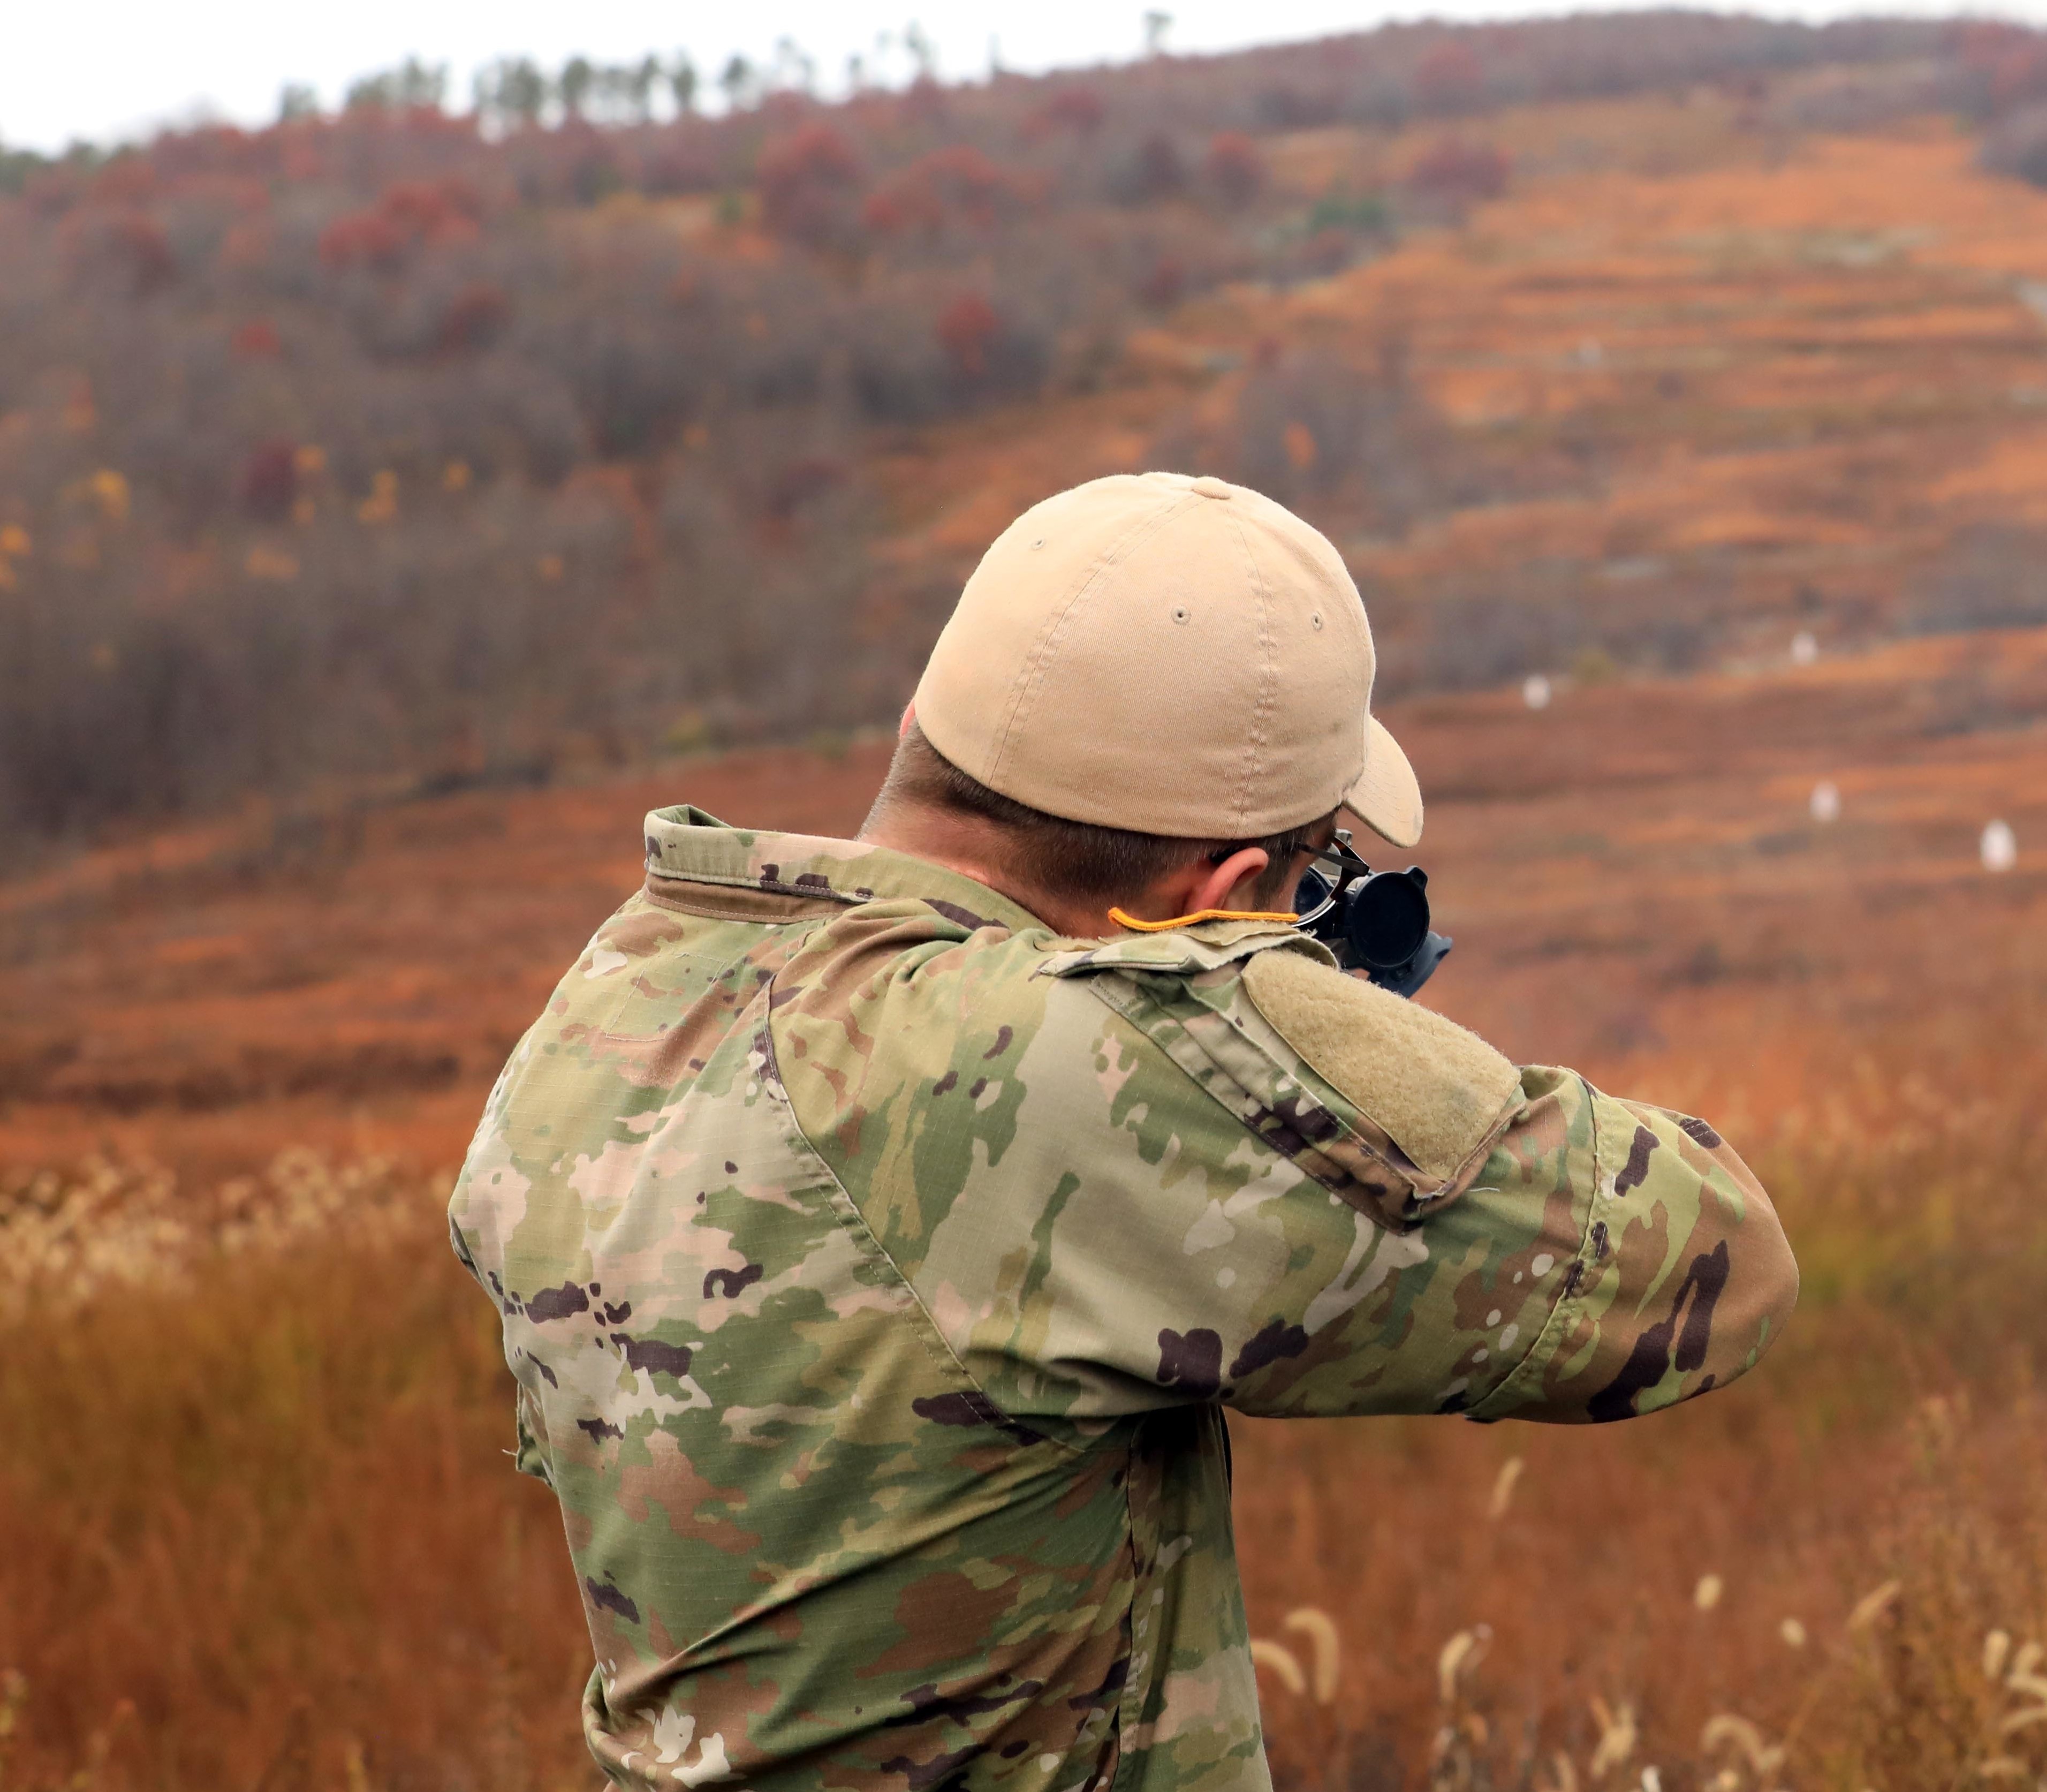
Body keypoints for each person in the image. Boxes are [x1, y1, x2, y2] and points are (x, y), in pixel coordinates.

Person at [448, 471, 1798, 1791]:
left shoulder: (621, 1001)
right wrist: (1265, 998)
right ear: (1217, 893)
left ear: (927, 724)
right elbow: (1707, 1261)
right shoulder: (1054, 1072)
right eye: (1309, 874)